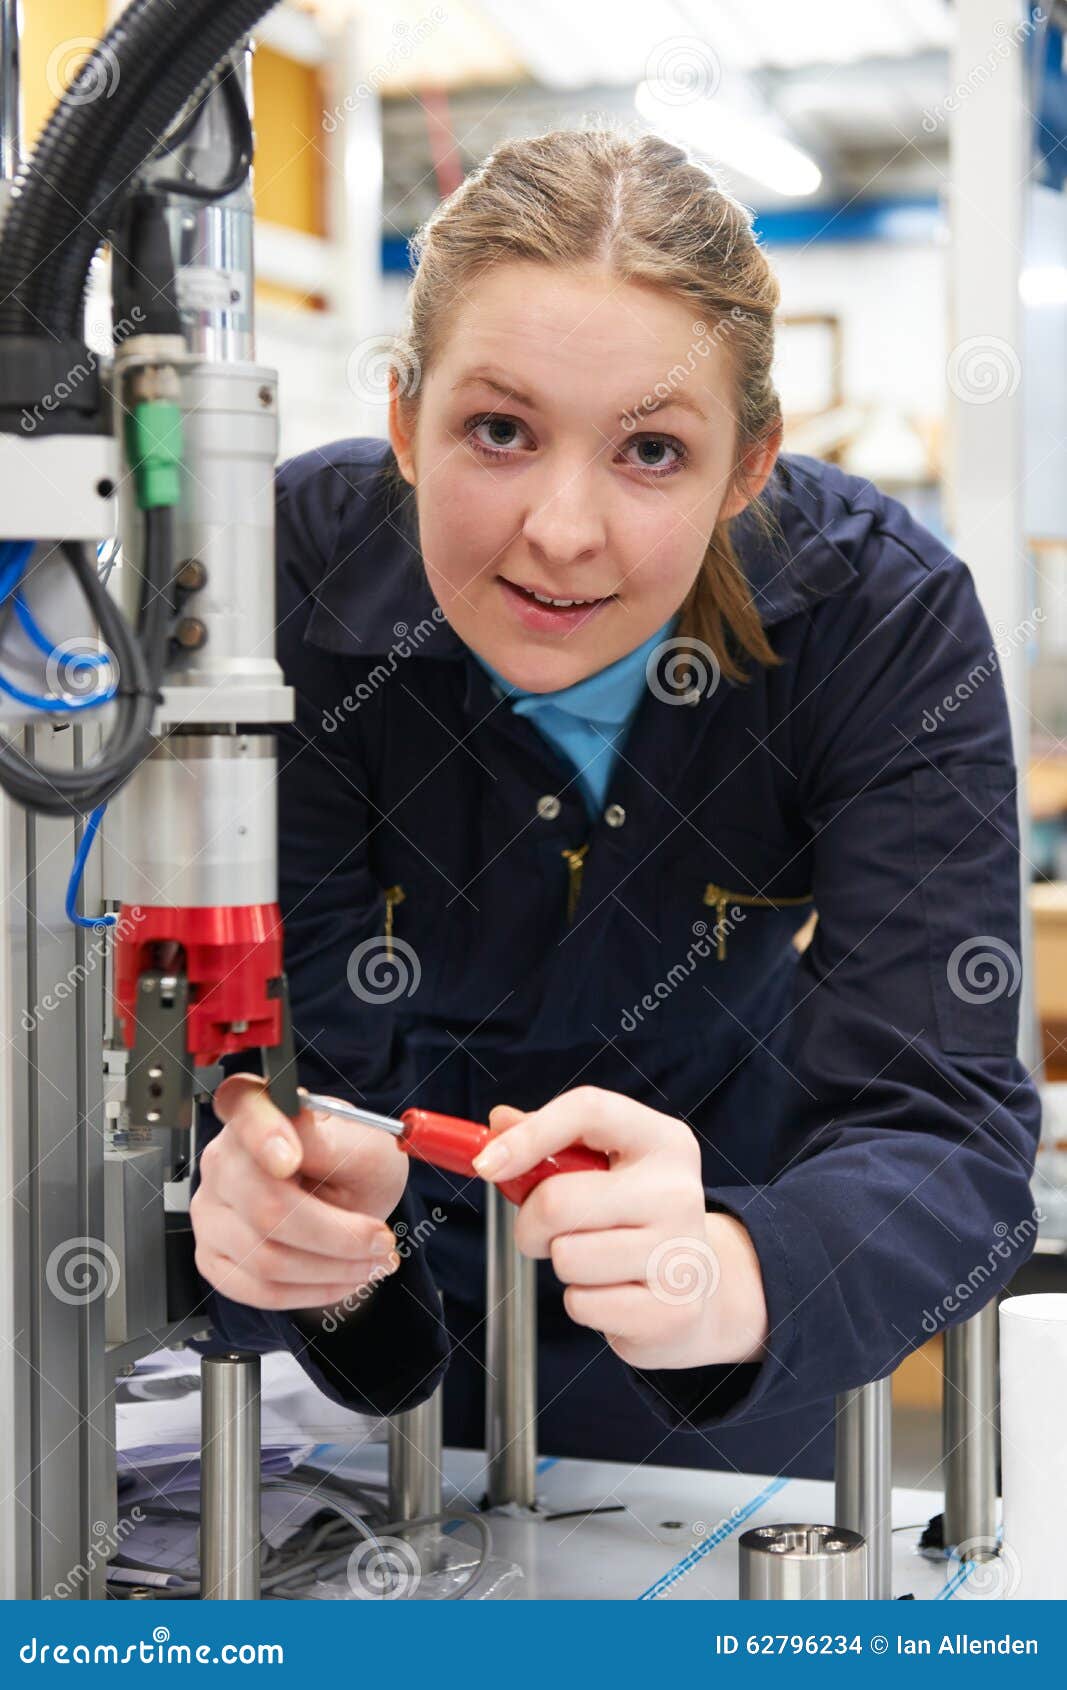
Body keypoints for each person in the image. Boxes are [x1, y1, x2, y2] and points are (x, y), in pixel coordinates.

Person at [189, 127, 1041, 1479]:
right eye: (499, 430)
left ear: (747, 467)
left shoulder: (884, 619)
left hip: (722, 1356)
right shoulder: (290, 579)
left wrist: (734, 1267)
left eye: (651, 449)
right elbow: (285, 1082)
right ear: (406, 419)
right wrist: (294, 1236)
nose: (563, 531)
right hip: (353, 1404)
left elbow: (946, 1134)